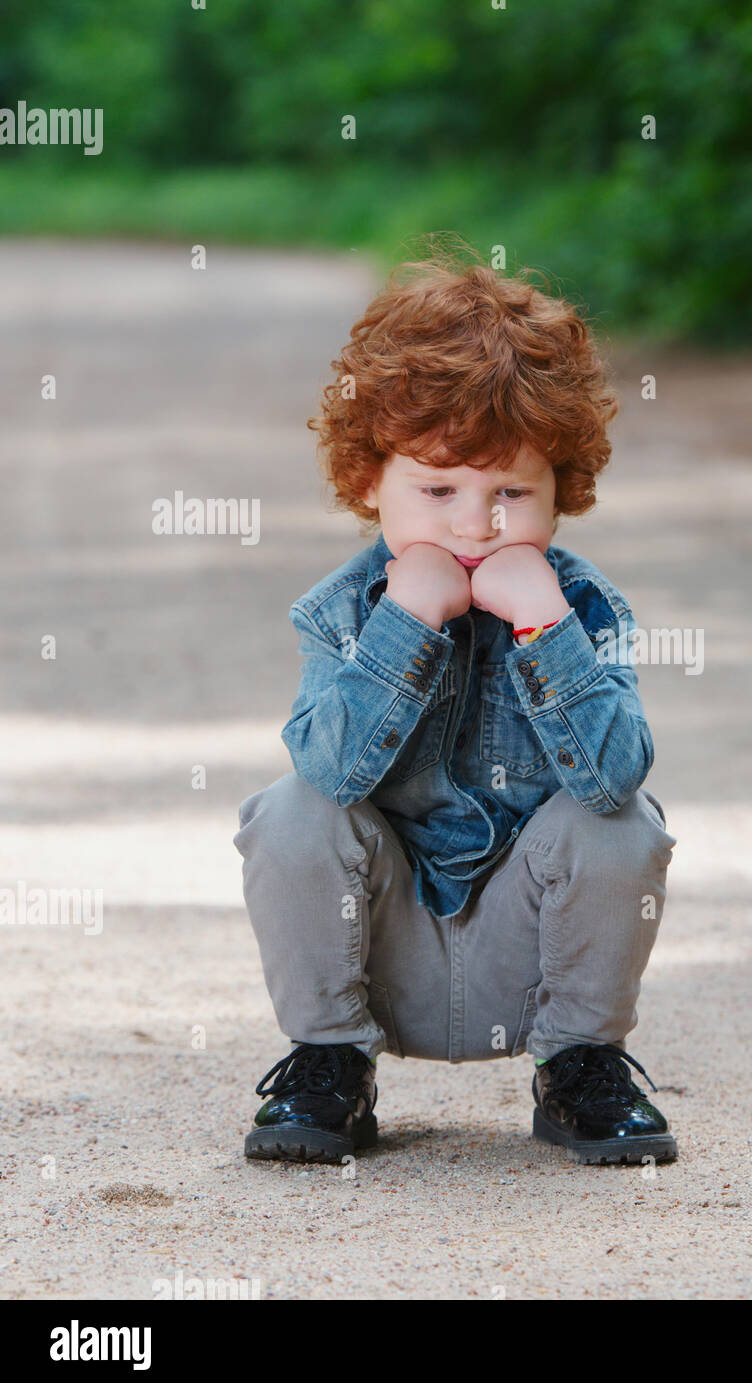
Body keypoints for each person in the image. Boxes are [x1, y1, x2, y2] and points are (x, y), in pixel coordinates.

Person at [233, 246, 678, 1166]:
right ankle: (328, 1068)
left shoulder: (583, 610)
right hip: (382, 953)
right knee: (291, 809)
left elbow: (613, 780)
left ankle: (581, 1068)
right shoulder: (344, 611)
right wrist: (407, 621)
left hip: (533, 956)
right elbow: (333, 770)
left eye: (512, 494)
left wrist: (545, 624)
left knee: (623, 822)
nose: (476, 526)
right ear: (369, 483)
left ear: (563, 493)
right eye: (437, 491)